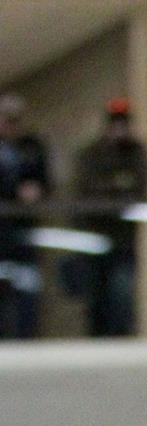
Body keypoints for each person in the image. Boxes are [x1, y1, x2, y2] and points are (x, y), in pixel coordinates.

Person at [70, 98, 147, 338]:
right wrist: (116, 186)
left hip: (124, 240)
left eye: (123, 122)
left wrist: (111, 188)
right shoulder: (91, 153)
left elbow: (138, 187)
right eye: (115, 122)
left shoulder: (137, 152)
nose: (119, 128)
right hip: (94, 239)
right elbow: (86, 189)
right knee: (96, 300)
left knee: (122, 300)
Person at [0, 92, 52, 339]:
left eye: (15, 119)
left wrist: (36, 191)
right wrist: (12, 191)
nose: (11, 125)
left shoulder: (33, 147)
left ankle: (27, 340)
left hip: (25, 235)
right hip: (2, 235)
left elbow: (46, 183)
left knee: (27, 293)